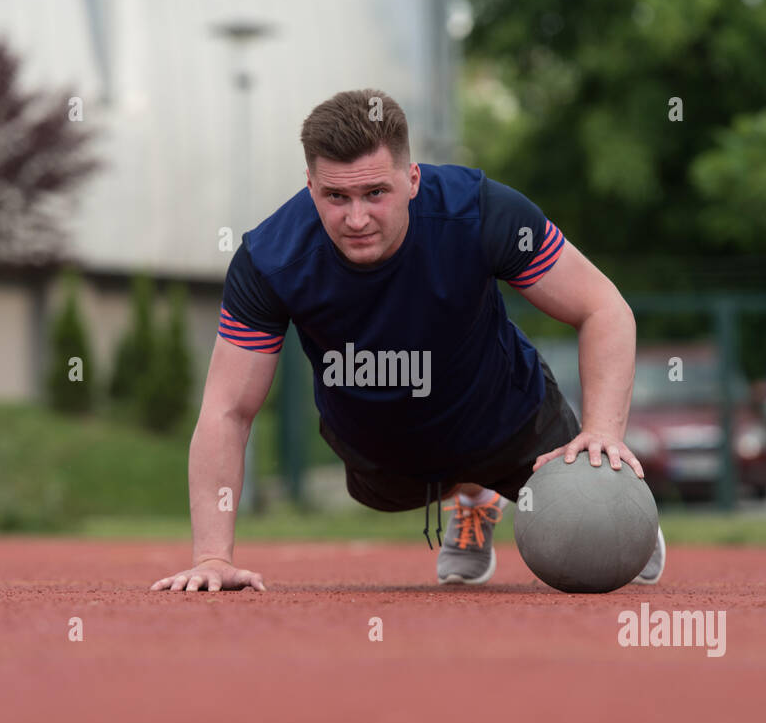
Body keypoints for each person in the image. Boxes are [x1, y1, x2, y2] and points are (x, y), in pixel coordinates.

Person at [151, 88, 665, 592]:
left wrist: (603, 433)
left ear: (412, 179)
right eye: (336, 196)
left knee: (601, 524)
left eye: (376, 193)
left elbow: (604, 308)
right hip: (385, 452)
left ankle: (584, 501)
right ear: (310, 186)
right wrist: (212, 556)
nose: (357, 219)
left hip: (510, 418)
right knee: (384, 490)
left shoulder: (483, 213)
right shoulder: (270, 260)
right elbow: (227, 409)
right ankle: (472, 496)